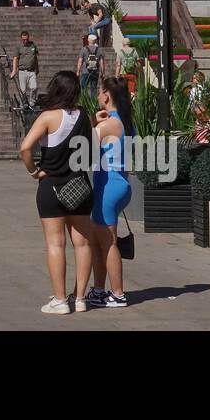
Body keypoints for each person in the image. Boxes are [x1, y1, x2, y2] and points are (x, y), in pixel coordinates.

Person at [19, 71, 95, 315]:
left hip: (51, 184)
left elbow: (25, 148)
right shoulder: (85, 115)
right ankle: (80, 297)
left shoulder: (48, 117)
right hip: (80, 185)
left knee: (55, 244)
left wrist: (34, 171)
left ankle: (60, 300)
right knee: (82, 244)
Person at [85, 77, 134, 309]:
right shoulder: (123, 121)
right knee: (98, 241)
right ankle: (99, 290)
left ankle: (117, 293)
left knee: (108, 242)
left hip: (108, 184)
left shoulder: (109, 124)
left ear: (106, 96)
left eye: (98, 92)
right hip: (117, 182)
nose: (97, 96)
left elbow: (84, 150)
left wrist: (94, 123)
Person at [10, 30, 40, 108]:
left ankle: (32, 102)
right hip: (22, 71)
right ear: (21, 39)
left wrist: (37, 68)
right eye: (23, 39)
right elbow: (15, 58)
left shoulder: (33, 45)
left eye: (26, 39)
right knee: (23, 89)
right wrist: (14, 70)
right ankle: (24, 102)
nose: (25, 41)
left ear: (28, 38)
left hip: (32, 71)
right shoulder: (18, 47)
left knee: (34, 87)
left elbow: (35, 57)